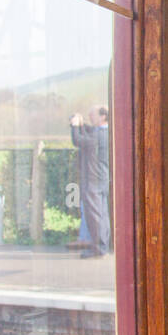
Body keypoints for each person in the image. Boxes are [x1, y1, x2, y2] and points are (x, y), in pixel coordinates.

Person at [70, 105, 111, 257]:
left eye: (92, 115)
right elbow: (89, 134)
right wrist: (81, 124)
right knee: (102, 215)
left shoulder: (98, 135)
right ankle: (102, 247)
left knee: (94, 216)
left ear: (103, 117)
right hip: (102, 179)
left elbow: (79, 141)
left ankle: (98, 250)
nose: (90, 117)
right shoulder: (105, 132)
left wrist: (75, 126)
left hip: (93, 180)